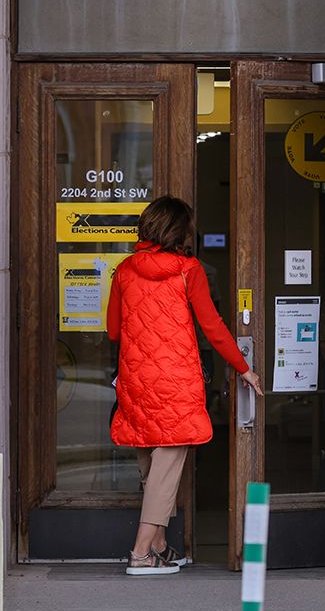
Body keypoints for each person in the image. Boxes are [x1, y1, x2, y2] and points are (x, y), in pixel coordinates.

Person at [107, 196, 263, 575]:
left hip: (136, 378)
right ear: (180, 232)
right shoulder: (188, 271)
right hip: (175, 379)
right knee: (167, 463)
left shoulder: (125, 270)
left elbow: (113, 330)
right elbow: (212, 327)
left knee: (151, 463)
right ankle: (141, 552)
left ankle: (159, 544)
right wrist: (244, 368)